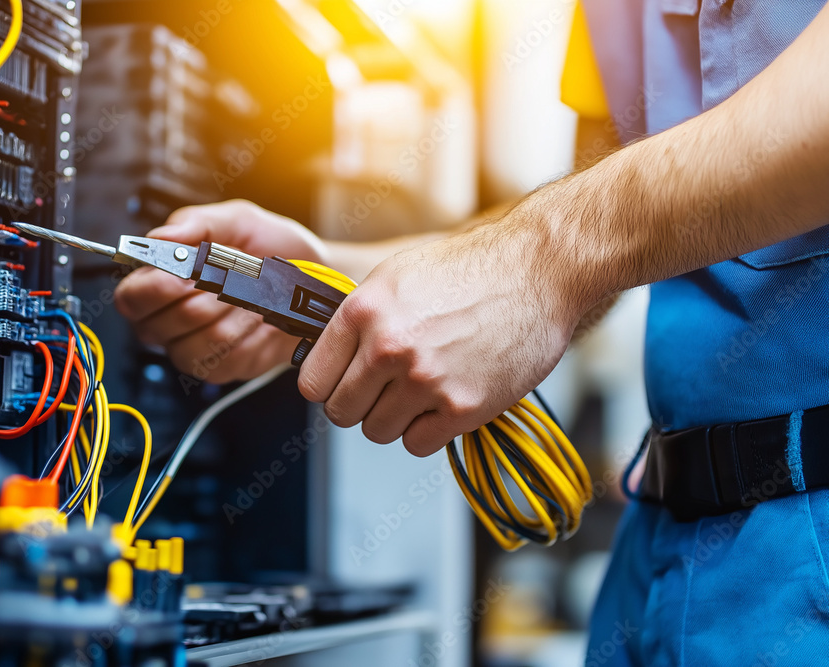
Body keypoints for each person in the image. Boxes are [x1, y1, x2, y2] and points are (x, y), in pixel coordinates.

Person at [116, 2, 829, 664]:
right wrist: (331, 285)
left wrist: (541, 256)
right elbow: (612, 197)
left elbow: (569, 244)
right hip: (665, 544)